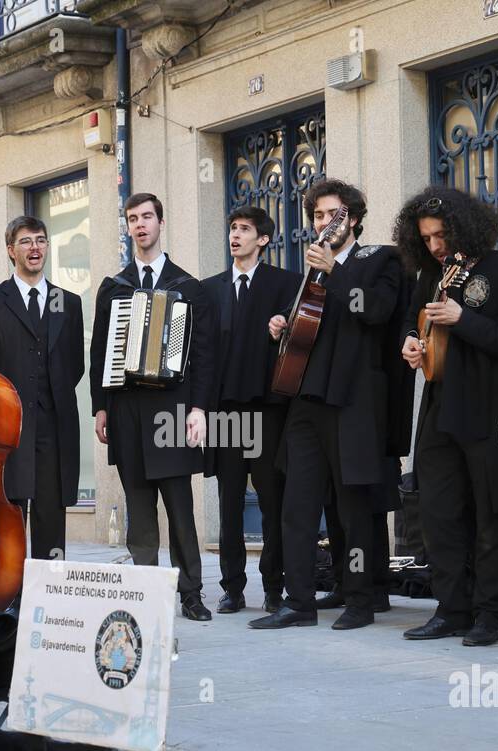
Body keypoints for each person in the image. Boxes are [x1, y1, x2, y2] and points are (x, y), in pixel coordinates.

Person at [248, 179, 408, 631]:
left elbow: (374, 310)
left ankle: (362, 598)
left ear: (353, 218)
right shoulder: (312, 272)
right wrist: (284, 325)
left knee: (354, 508)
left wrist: (336, 270)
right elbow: (310, 327)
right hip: (307, 397)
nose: (323, 223)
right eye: (317, 216)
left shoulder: (380, 260)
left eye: (332, 214)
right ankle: (299, 602)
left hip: (354, 398)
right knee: (297, 504)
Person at [398, 187, 498, 647]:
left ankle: (491, 612)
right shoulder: (430, 275)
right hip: (441, 406)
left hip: (493, 406)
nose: (435, 245)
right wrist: (411, 343)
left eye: (441, 235)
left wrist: (462, 318)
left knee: (492, 514)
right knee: (439, 513)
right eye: (427, 238)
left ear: (464, 228)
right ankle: (451, 607)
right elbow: (412, 322)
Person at [90, 193, 218, 621]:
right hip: (126, 410)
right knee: (139, 513)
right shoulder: (114, 287)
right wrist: (100, 407)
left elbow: (202, 356)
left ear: (161, 223)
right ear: (128, 228)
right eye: (132, 218)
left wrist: (199, 409)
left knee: (181, 510)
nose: (140, 224)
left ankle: (191, 593)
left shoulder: (188, 287)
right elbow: (98, 352)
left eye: (147, 217)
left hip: (171, 413)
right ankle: (145, 594)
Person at [0, 215, 85, 560]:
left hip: (54, 426)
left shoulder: (68, 302)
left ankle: (51, 589)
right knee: (10, 511)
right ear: (11, 250)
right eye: (26, 241)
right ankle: (12, 594)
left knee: (51, 512)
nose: (35, 248)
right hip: (9, 425)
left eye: (41, 240)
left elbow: (75, 365)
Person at [203, 205, 302, 614]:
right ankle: (232, 588)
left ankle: (275, 587)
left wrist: (285, 324)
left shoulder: (286, 283)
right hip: (225, 412)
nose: (236, 235)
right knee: (228, 503)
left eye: (244, 229)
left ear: (263, 239)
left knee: (271, 502)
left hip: (267, 410)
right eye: (232, 228)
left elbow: (303, 340)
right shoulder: (210, 289)